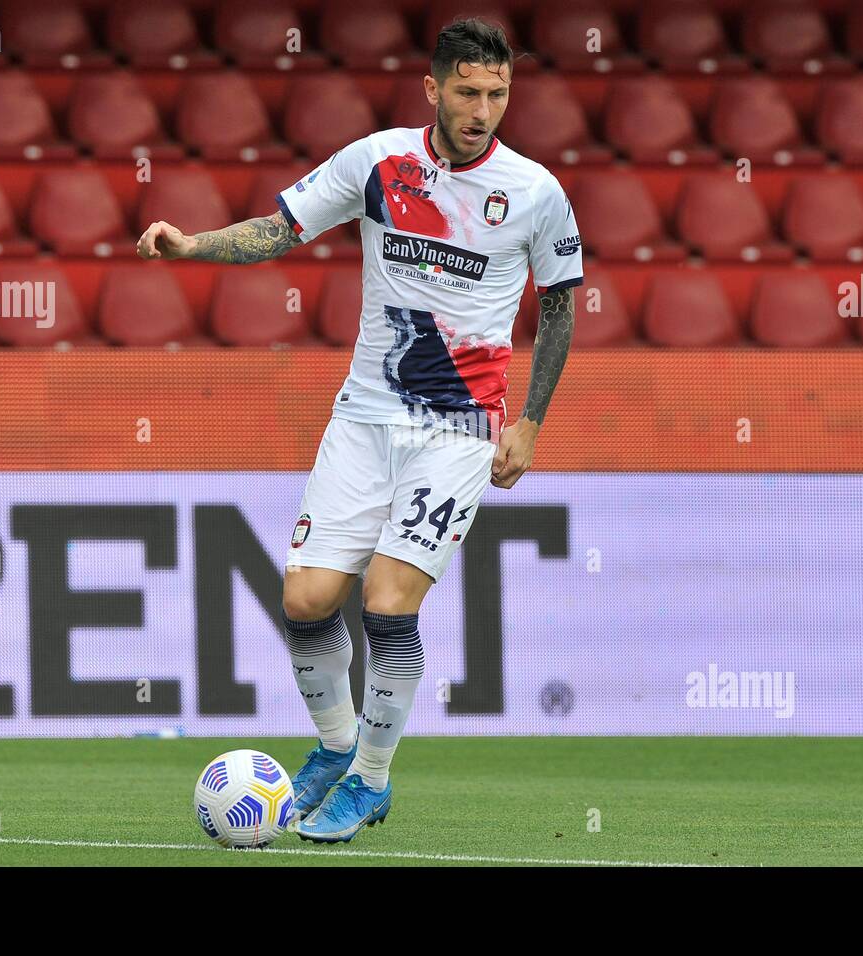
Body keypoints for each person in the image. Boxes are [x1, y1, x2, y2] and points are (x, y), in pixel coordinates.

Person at [136, 17, 582, 844]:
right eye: (468, 91)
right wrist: (191, 243)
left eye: (498, 93)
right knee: (305, 599)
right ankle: (338, 748)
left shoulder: (534, 190)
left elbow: (559, 303)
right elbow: (282, 230)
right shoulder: (378, 162)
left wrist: (530, 421)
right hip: (364, 417)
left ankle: (371, 781)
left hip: (459, 429)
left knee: (386, 600)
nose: (483, 108)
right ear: (434, 89)